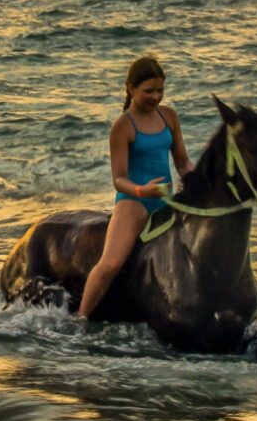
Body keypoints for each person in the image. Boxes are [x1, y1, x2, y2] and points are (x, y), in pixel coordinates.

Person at [77, 55, 197, 319]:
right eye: (149, 91)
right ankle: (80, 317)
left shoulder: (169, 116)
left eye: (160, 90)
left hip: (166, 201)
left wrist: (199, 179)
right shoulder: (123, 125)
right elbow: (118, 178)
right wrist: (142, 191)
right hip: (133, 203)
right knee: (110, 264)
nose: (156, 97)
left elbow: (183, 162)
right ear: (131, 89)